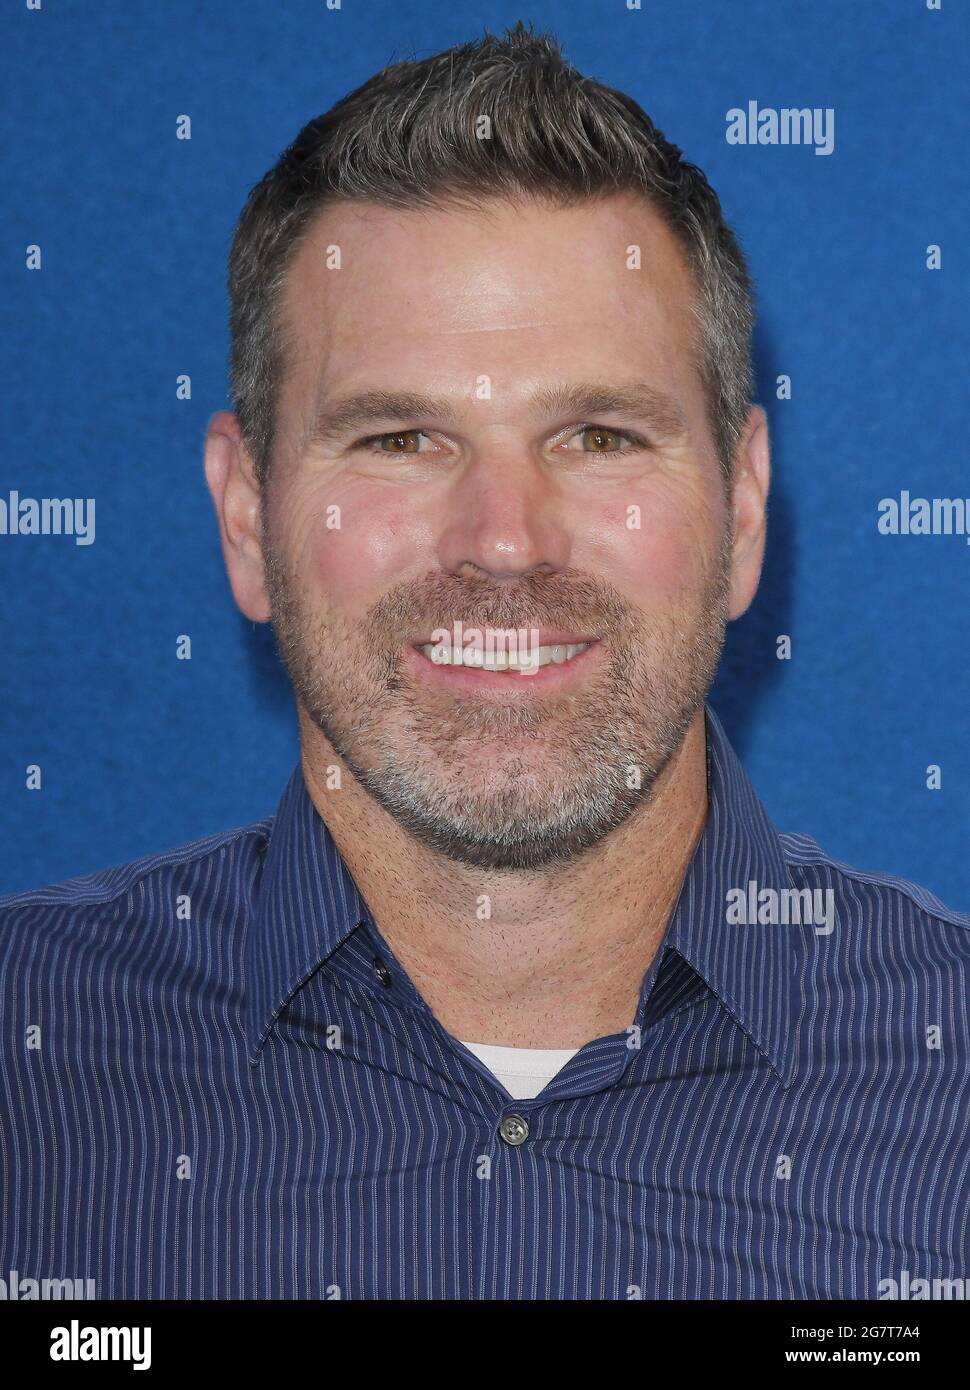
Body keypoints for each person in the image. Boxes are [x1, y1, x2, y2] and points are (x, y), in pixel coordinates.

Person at [2, 21, 967, 1302]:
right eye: (401, 438)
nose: (505, 540)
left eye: (599, 435)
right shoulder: (31, 1065)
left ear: (741, 514)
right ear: (245, 519)